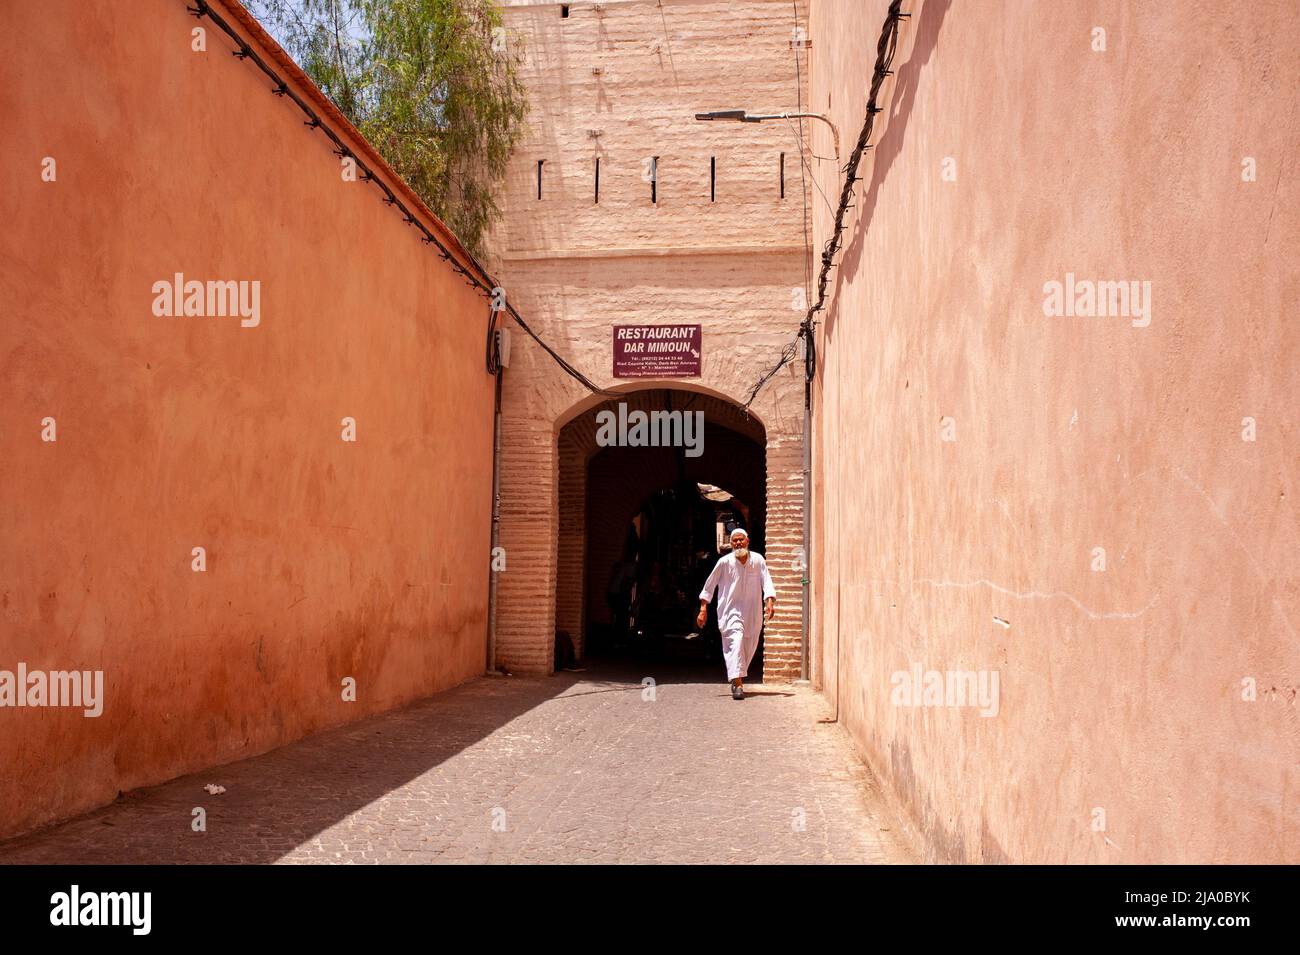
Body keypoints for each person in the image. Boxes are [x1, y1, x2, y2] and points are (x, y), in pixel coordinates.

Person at [696, 528, 775, 700]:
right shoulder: (724, 562)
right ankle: (738, 683)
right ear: (731, 544)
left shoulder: (758, 560)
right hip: (730, 610)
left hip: (752, 612)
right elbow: (709, 585)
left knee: (749, 644)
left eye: (741, 540)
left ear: (747, 541)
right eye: (734, 541)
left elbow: (766, 580)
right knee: (736, 640)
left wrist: (769, 601)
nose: (738, 543)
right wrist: (703, 609)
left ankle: (736, 674)